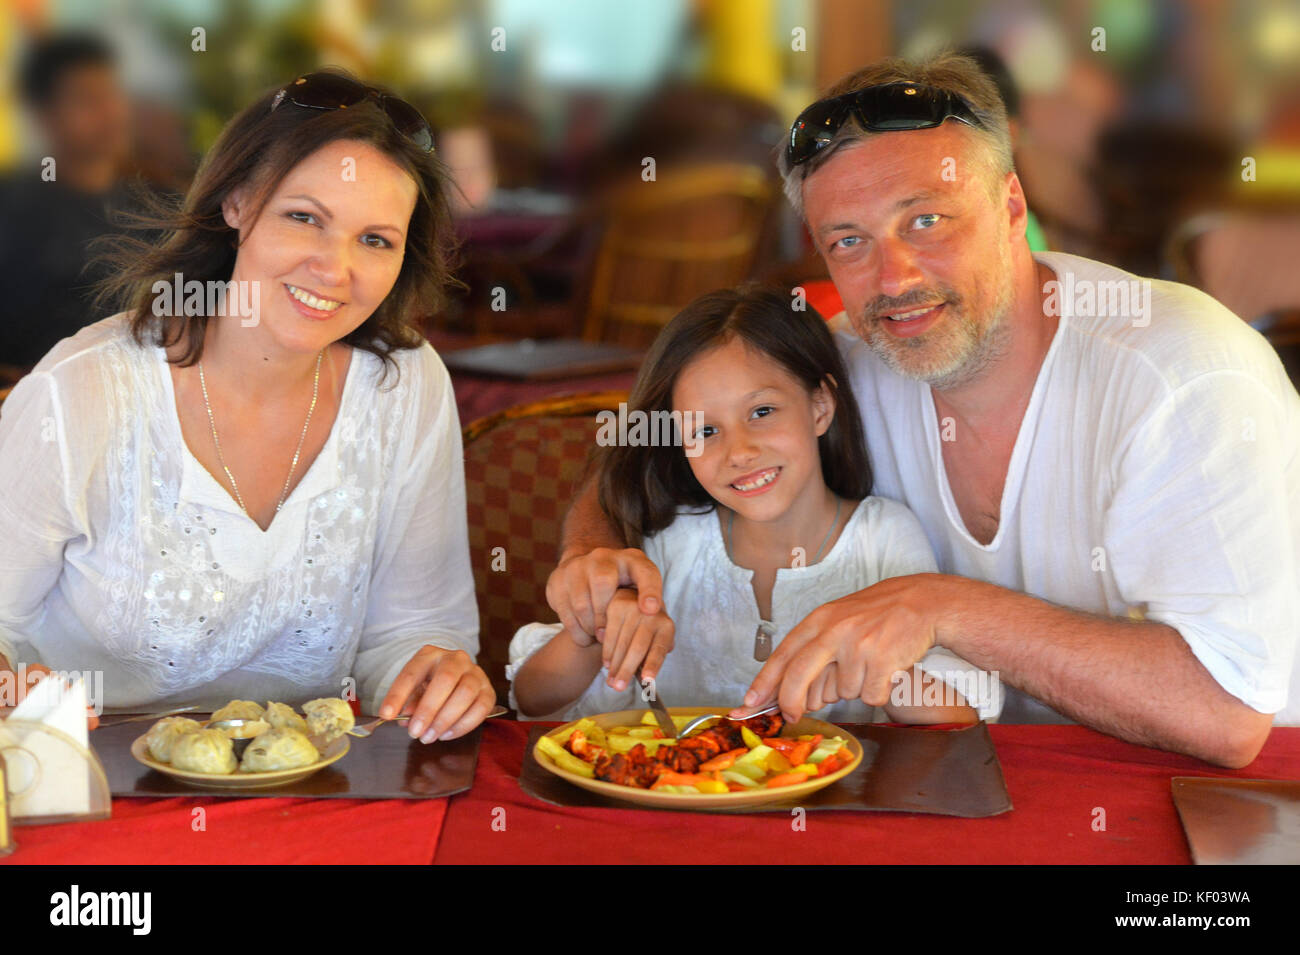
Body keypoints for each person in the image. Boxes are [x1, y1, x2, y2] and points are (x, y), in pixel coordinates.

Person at [546, 52, 1300, 769]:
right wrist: (596, 558)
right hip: (970, 776)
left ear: (1011, 205)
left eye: (925, 221)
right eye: (849, 240)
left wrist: (944, 607)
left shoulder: (1183, 379)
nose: (894, 277)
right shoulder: (851, 364)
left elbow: (1227, 713)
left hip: (1219, 794)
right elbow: (637, 454)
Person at [0, 70, 493, 744]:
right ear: (236, 202)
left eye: (375, 239)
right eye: (304, 218)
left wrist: (434, 675)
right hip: (93, 798)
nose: (334, 267)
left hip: (314, 801)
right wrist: (12, 688)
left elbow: (411, 630)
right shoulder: (83, 390)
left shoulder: (405, 384)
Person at [509, 286, 989, 724]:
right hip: (676, 807)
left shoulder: (883, 537)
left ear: (820, 406)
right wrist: (597, 631)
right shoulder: (669, 545)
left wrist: (870, 668)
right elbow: (532, 701)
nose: (738, 452)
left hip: (834, 811)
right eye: (705, 430)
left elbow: (957, 718)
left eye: (761, 412)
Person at [0, 33, 143, 370]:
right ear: (43, 114)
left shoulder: (158, 210)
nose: (110, 112)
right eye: (86, 100)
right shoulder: (11, 212)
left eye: (111, 94)